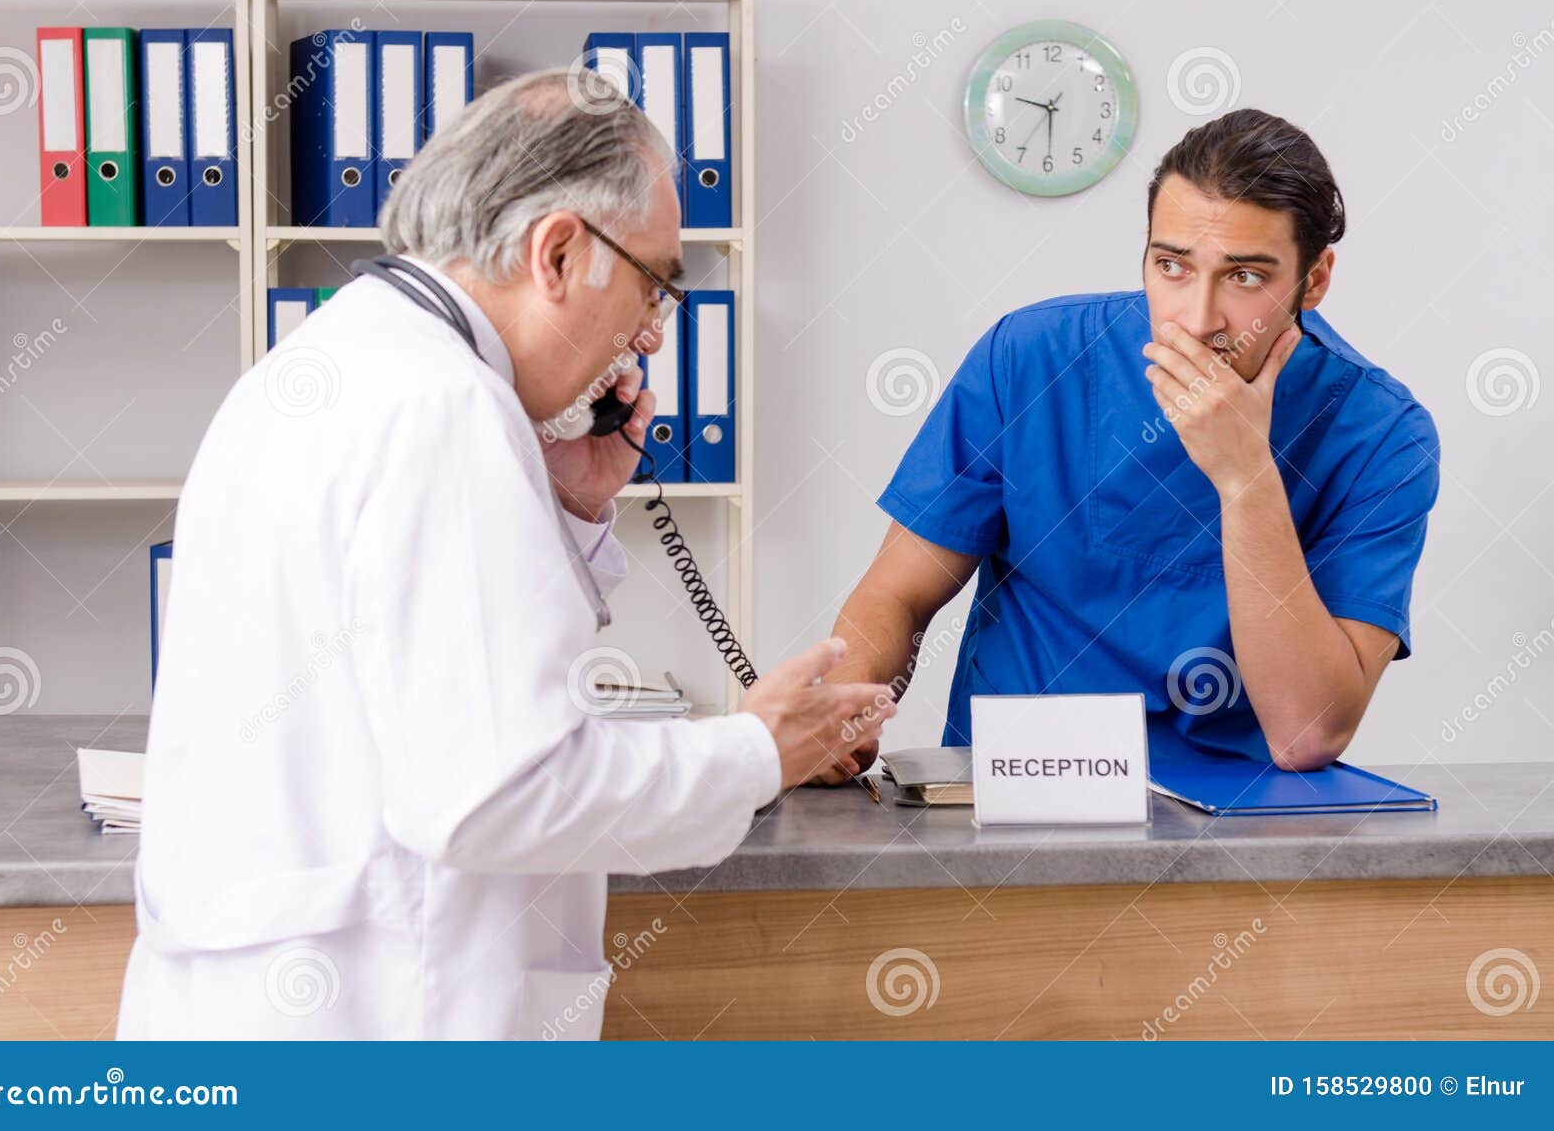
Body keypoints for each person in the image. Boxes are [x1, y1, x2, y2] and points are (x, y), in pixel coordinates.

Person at [118, 69, 895, 1039]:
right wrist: (753, 751)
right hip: (384, 1014)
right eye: (657, 279)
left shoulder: (325, 366)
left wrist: (565, 503)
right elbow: (493, 794)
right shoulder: (445, 406)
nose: (653, 331)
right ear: (559, 252)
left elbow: (421, 680)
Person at [824, 108, 1439, 781]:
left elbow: (1306, 733)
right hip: (1013, 794)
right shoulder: (1030, 359)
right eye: (1172, 265)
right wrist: (840, 711)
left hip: (1241, 820)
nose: (1198, 320)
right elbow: (897, 596)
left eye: (1244, 277)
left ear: (1314, 280)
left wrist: (1246, 478)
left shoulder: (1381, 433)